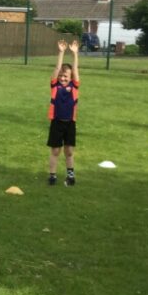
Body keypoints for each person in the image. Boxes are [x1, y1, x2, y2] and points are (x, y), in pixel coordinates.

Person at [47, 40, 80, 186]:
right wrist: (61, 52)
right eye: (61, 76)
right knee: (55, 151)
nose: (63, 78)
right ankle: (52, 176)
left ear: (71, 77)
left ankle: (70, 175)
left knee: (69, 151)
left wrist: (74, 54)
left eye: (66, 76)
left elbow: (76, 69)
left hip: (70, 123)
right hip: (56, 122)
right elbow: (57, 68)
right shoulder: (55, 85)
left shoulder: (74, 86)